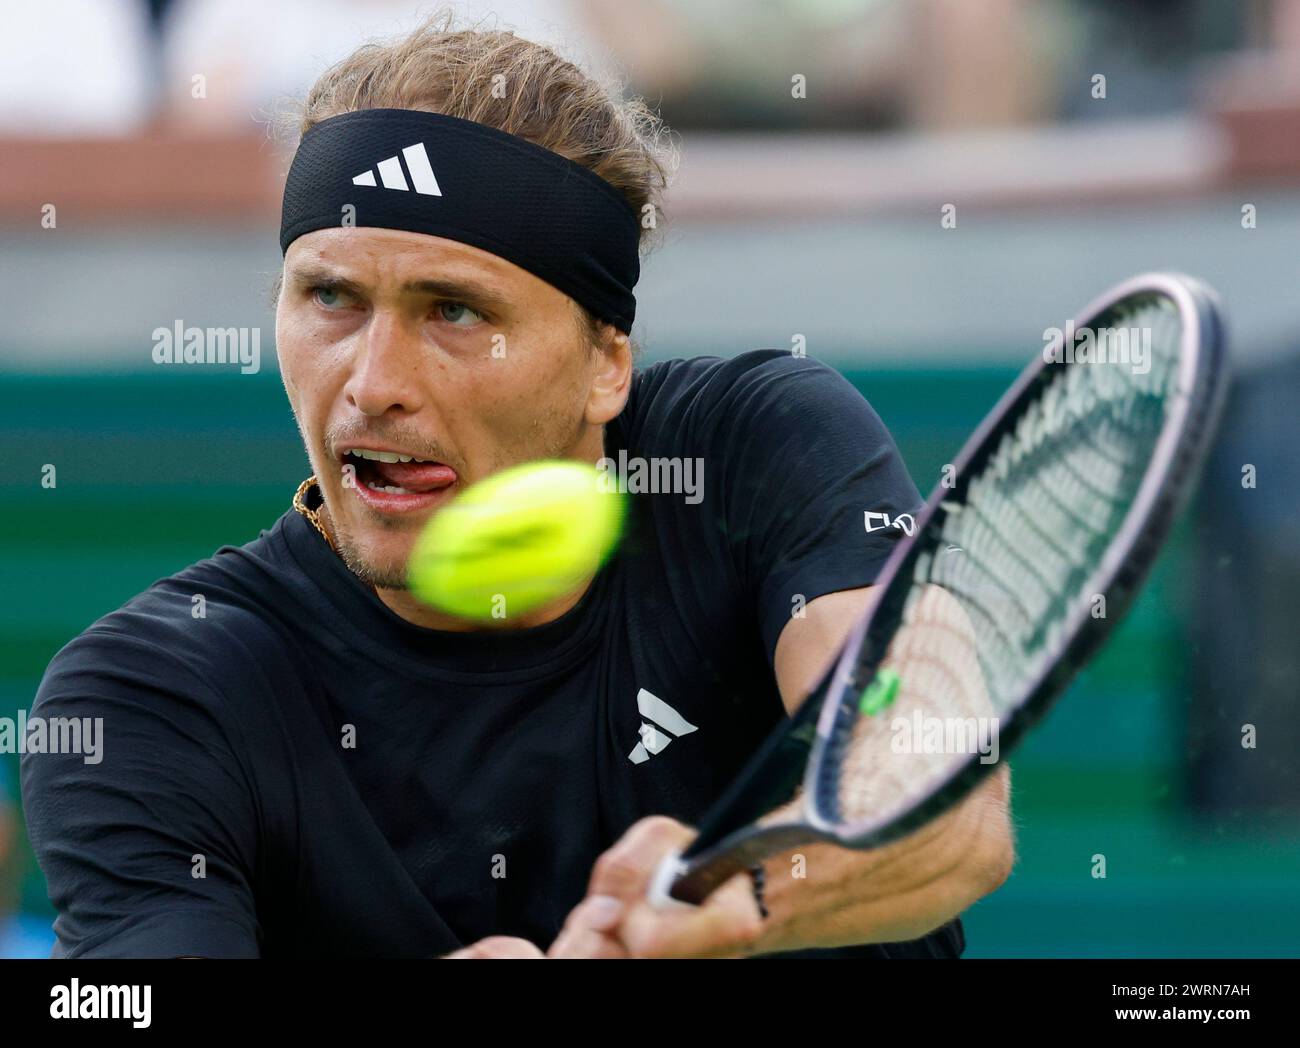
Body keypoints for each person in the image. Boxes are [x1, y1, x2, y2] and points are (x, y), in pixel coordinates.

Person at [22, 14, 1012, 959]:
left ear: (602, 367)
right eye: (331, 296)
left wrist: (730, 899)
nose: (371, 384)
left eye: (454, 311)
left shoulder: (757, 448)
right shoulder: (149, 697)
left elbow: (942, 797)